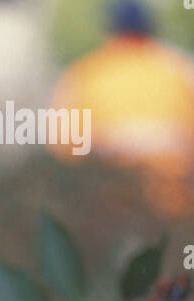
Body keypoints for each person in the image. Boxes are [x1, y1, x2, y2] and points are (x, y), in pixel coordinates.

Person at [49, 0, 194, 215]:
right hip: (173, 206)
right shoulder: (180, 70)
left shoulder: (83, 76)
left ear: (109, 28)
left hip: (109, 210)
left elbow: (62, 149)